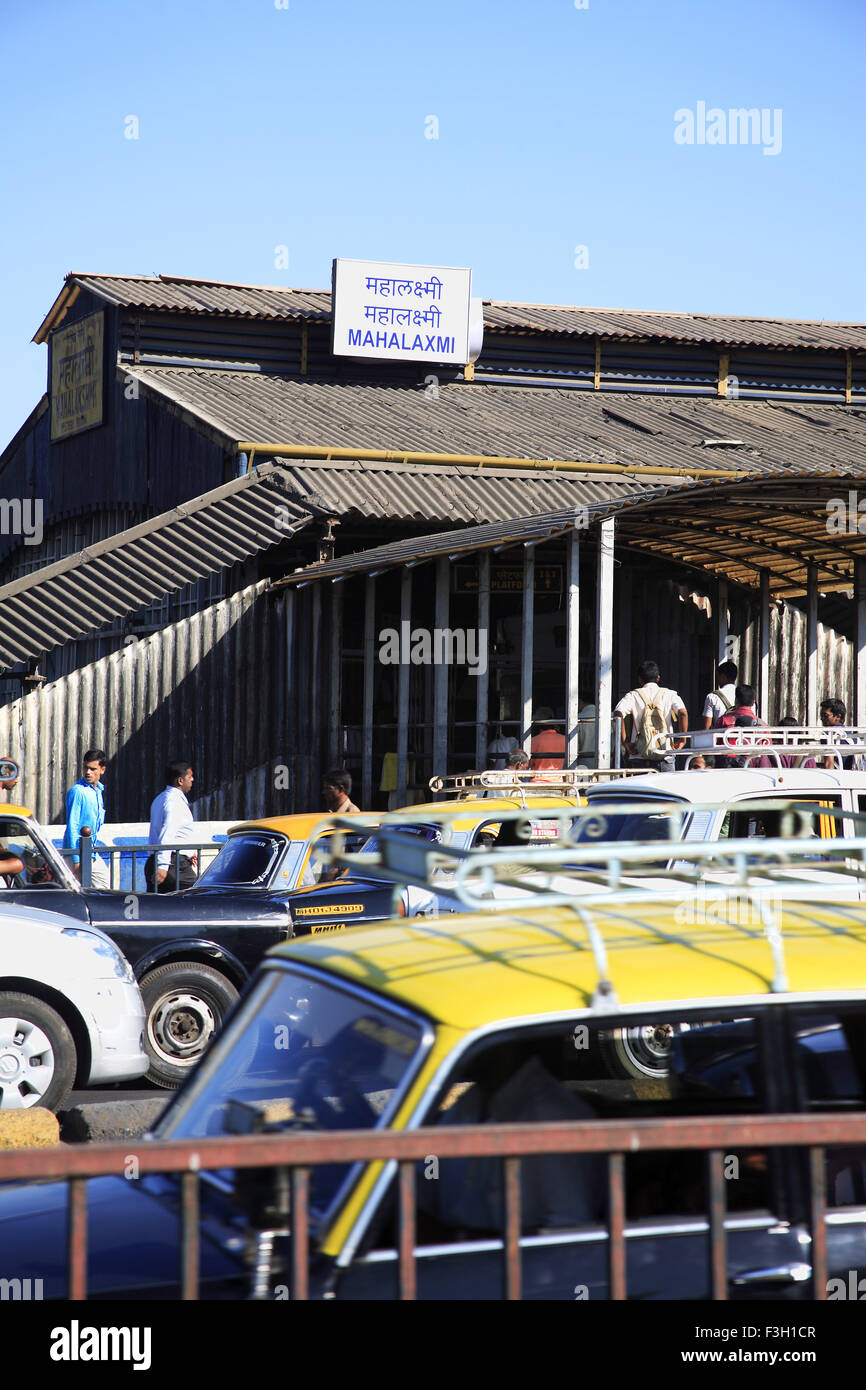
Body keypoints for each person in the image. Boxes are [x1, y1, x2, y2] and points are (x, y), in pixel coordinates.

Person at [615, 661, 688, 771]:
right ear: (658, 678)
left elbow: (618, 714)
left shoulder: (633, 695)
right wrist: (683, 740)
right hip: (665, 754)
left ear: (640, 679)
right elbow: (683, 713)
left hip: (639, 755)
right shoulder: (670, 694)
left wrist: (625, 742)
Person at [145, 760, 198, 892]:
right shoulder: (174, 802)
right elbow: (167, 833)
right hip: (173, 864)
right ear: (180, 780)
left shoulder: (160, 799)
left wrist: (189, 852)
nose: (192, 779)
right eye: (190, 776)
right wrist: (163, 866)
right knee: (197, 895)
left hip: (156, 860)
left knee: (158, 903)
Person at [63, 748, 111, 889]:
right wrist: (76, 860)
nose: (88, 772)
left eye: (92, 769)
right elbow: (72, 826)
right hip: (76, 853)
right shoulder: (78, 791)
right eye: (85, 768)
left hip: (90, 852)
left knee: (104, 890)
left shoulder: (98, 791)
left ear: (102, 770)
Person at [713, 684, 771, 767]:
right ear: (753, 703)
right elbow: (768, 750)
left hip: (726, 768)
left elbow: (714, 746)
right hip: (755, 769)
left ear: (736, 700)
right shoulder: (763, 726)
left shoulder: (723, 721)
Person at [819, 698, 858, 770]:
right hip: (851, 773)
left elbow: (829, 764)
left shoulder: (828, 735)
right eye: (821, 715)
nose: (822, 718)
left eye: (825, 715)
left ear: (838, 717)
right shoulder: (852, 735)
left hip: (836, 774)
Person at [701, 661, 738, 730]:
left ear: (723, 677)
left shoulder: (712, 697)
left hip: (720, 736)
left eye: (718, 677)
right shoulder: (746, 696)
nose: (717, 680)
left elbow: (706, 727)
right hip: (741, 736)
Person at [577, 689, 597, 767]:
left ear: (579, 701)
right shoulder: (609, 716)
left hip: (583, 763)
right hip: (608, 761)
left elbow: (574, 745)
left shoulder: (578, 718)